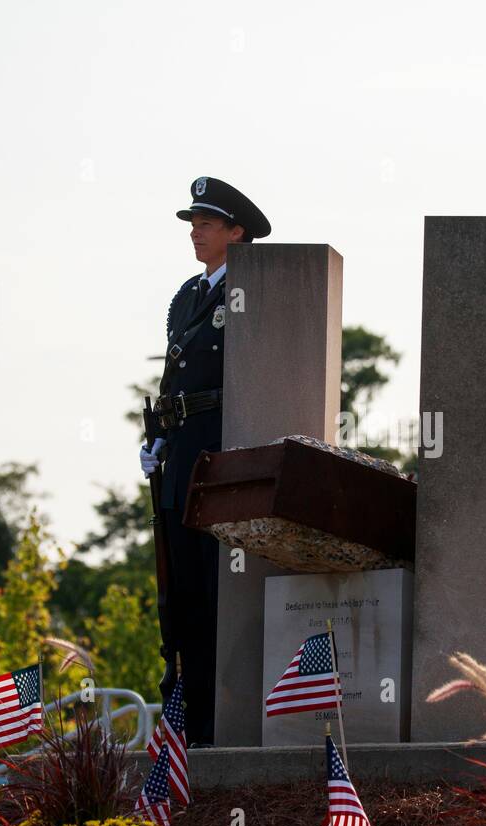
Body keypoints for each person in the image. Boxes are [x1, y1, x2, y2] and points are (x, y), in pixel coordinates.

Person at [140, 176, 271, 747]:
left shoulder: (250, 290)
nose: (195, 232)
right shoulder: (188, 296)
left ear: (236, 232)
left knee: (219, 589)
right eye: (194, 223)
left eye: (207, 224)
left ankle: (219, 724)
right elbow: (174, 374)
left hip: (219, 450)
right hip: (182, 450)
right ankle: (187, 719)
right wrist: (159, 438)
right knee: (181, 593)